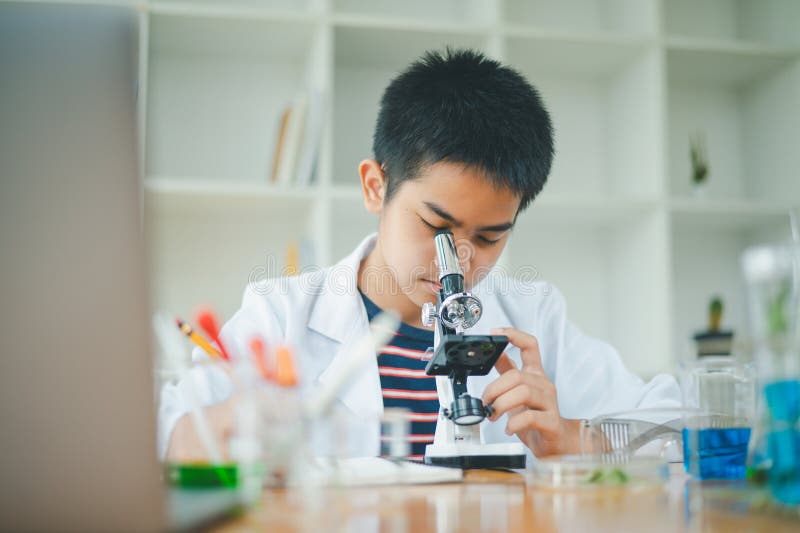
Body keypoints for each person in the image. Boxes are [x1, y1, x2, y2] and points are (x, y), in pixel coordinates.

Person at [161, 48, 680, 463]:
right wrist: (215, 434)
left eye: (489, 237)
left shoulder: (534, 317)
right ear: (374, 187)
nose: (459, 262)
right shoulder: (280, 314)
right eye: (436, 226)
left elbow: (677, 423)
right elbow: (162, 436)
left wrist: (576, 439)